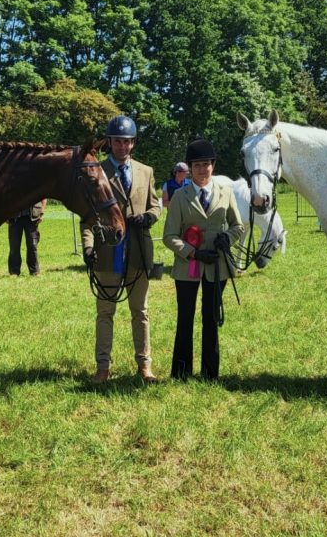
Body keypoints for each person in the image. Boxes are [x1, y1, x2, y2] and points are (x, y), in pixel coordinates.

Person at [81, 115, 161, 384]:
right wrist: (88, 246)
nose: (122, 147)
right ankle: (103, 366)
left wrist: (149, 217)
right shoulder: (97, 171)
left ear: (133, 144)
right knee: (105, 312)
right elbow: (88, 216)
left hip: (138, 249)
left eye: (127, 142)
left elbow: (156, 205)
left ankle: (144, 365)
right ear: (110, 143)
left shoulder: (146, 171)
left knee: (141, 311)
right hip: (108, 251)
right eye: (117, 141)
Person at [162, 138, 244, 380]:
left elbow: (238, 225)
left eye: (206, 164)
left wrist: (227, 239)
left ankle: (210, 372)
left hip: (217, 265)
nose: (202, 169)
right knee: (185, 317)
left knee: (210, 317)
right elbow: (169, 236)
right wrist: (193, 252)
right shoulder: (179, 197)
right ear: (190, 168)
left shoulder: (225, 192)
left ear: (213, 166)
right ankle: (181, 371)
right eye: (197, 165)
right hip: (189, 265)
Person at [8, 199, 46, 275]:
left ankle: (34, 271)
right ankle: (14, 272)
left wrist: (42, 212)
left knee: (32, 245)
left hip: (32, 217)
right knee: (14, 246)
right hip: (14, 217)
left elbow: (43, 196)